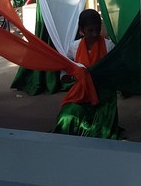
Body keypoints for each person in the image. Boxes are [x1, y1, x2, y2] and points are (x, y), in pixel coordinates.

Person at [52, 9, 122, 139]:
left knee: (100, 128)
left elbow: (116, 70)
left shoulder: (109, 46)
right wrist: (69, 76)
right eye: (90, 30)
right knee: (67, 117)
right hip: (81, 93)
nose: (95, 34)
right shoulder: (74, 47)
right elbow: (66, 67)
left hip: (104, 95)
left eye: (97, 29)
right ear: (81, 30)